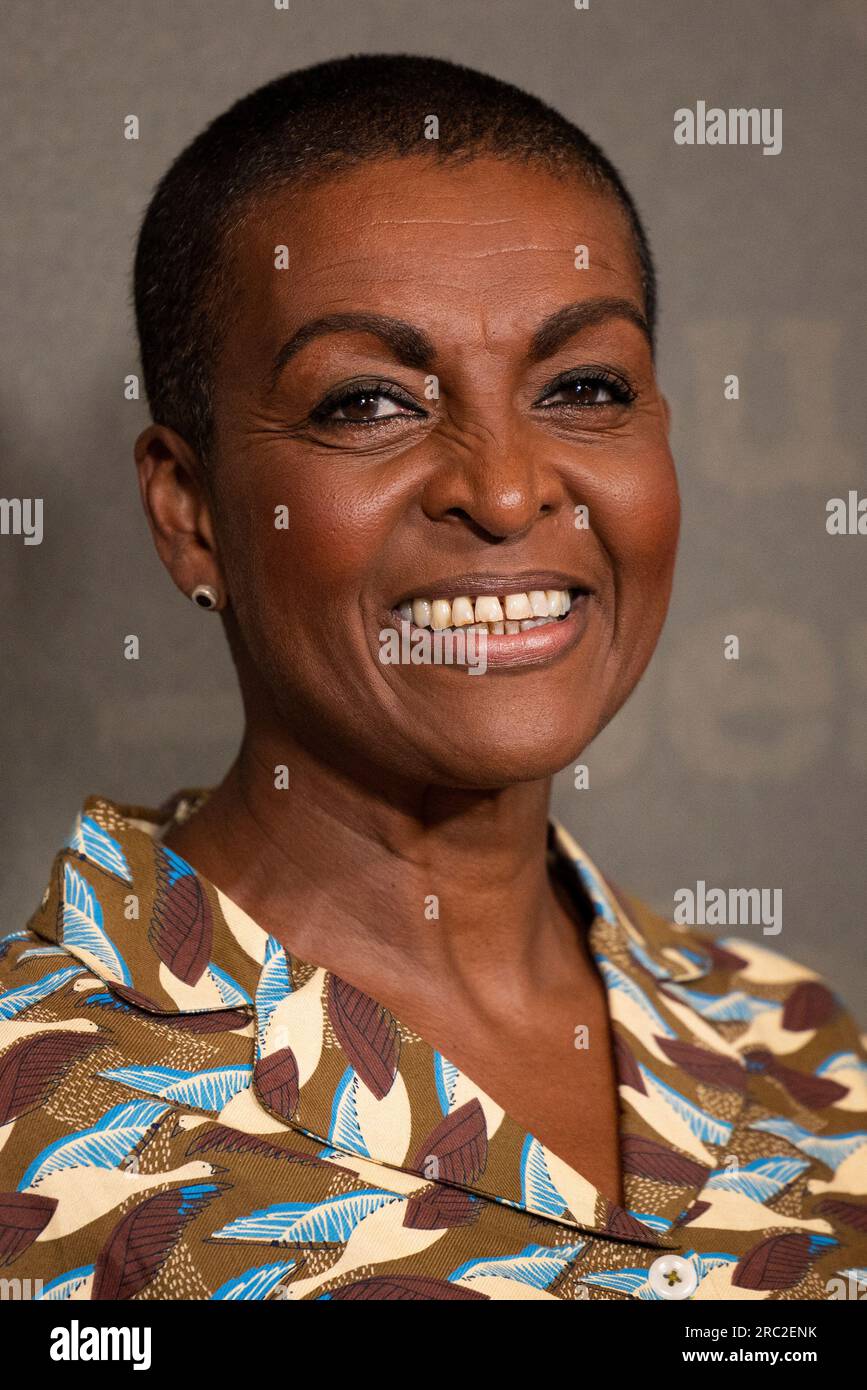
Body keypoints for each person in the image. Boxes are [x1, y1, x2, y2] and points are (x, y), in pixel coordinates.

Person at [2, 54, 864, 1303]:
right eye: (369, 404)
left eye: (583, 387)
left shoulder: (800, 1044)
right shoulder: (36, 1107)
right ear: (190, 512)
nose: (508, 491)